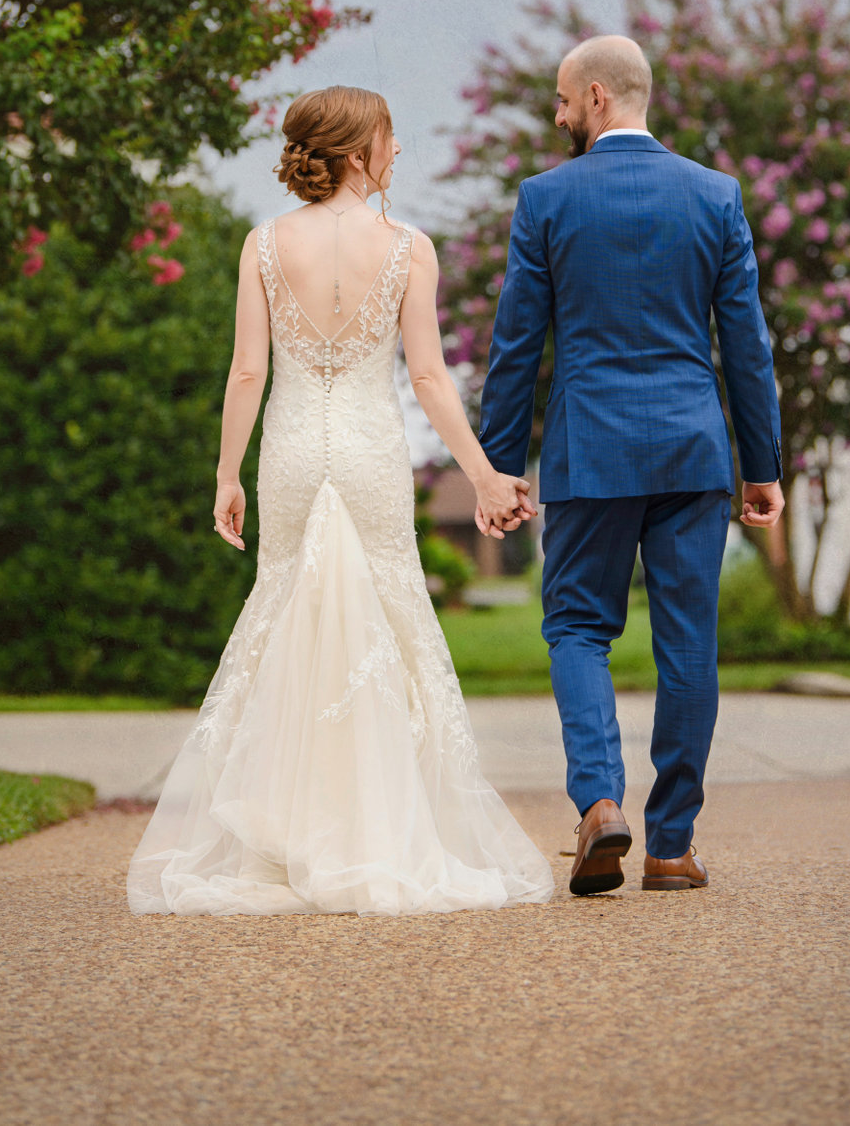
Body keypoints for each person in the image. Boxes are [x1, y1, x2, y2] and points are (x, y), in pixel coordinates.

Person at [127, 86, 553, 917]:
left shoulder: (262, 244)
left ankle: (288, 834)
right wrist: (481, 473)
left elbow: (247, 371)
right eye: (391, 138)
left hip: (289, 452)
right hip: (366, 453)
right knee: (387, 624)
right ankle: (379, 835)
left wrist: (227, 472)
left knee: (288, 617)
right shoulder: (405, 249)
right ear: (360, 149)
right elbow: (427, 378)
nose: (399, 152)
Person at [479, 36, 784, 896]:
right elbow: (746, 348)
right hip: (692, 451)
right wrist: (759, 463)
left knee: (578, 628)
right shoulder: (714, 195)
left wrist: (502, 467)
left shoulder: (545, 199)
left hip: (590, 449)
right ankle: (671, 846)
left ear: (599, 97)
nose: (556, 115)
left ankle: (599, 806)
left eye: (563, 101)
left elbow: (515, 347)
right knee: (690, 643)